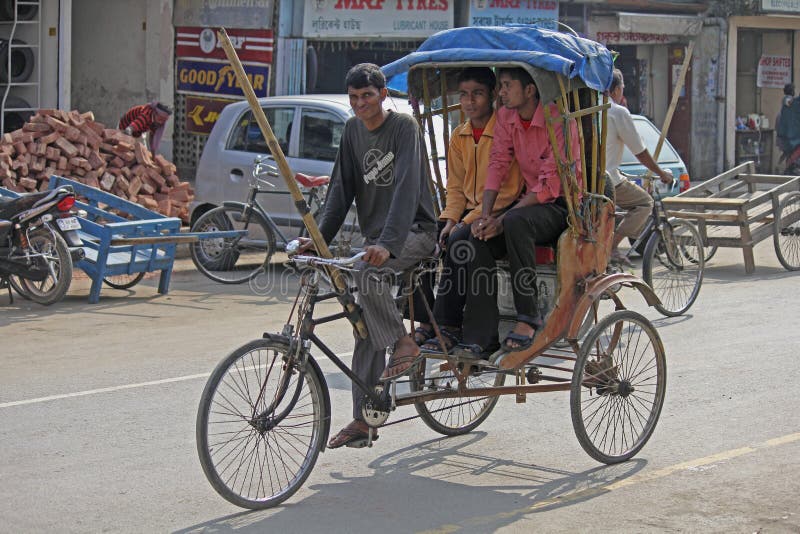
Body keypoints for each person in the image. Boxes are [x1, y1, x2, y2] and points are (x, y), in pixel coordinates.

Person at [296, 63, 437, 449]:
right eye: (355, 98)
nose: (361, 104)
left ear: (383, 95)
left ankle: (405, 343)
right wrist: (316, 239)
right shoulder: (353, 132)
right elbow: (340, 192)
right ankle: (365, 418)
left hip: (415, 233)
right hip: (379, 241)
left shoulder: (404, 128)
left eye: (368, 96)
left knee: (368, 277)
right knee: (365, 326)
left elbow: (408, 187)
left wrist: (389, 243)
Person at [467, 67, 581, 352]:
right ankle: (482, 332)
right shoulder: (506, 116)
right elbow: (498, 163)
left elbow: (549, 184)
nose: (501, 92)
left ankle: (528, 316)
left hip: (561, 205)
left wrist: (502, 219)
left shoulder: (559, 121)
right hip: (528, 203)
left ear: (530, 90)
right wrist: (485, 215)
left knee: (516, 222)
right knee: (473, 236)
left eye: (507, 85)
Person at [413, 67, 522, 355]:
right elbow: (456, 187)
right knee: (424, 235)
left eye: (477, 94)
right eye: (464, 95)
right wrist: (449, 220)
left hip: (504, 213)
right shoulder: (459, 136)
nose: (470, 101)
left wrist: (464, 223)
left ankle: (467, 332)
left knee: (463, 241)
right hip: (469, 213)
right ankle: (428, 320)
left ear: (492, 95)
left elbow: (508, 190)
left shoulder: (505, 130)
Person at [605, 68, 673, 266]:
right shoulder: (617, 112)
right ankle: (612, 247)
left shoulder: (587, 109)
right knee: (644, 203)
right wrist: (661, 173)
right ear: (616, 90)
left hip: (587, 180)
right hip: (608, 181)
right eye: (622, 88)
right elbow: (640, 151)